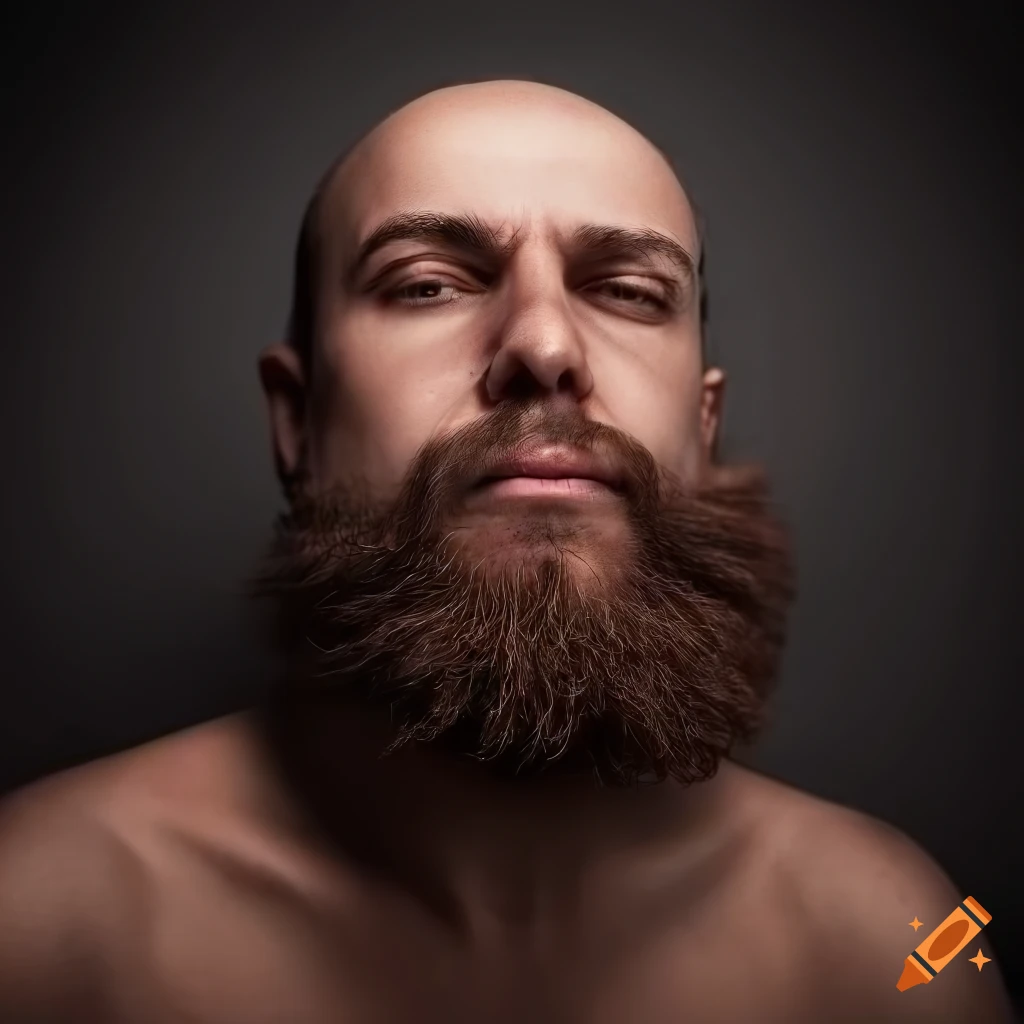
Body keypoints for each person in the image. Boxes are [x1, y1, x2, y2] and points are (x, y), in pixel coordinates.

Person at [0, 78, 1014, 1024]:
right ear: (296, 418)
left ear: (703, 432)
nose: (545, 345)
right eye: (430, 283)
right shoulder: (35, 921)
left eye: (625, 290)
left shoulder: (912, 941)